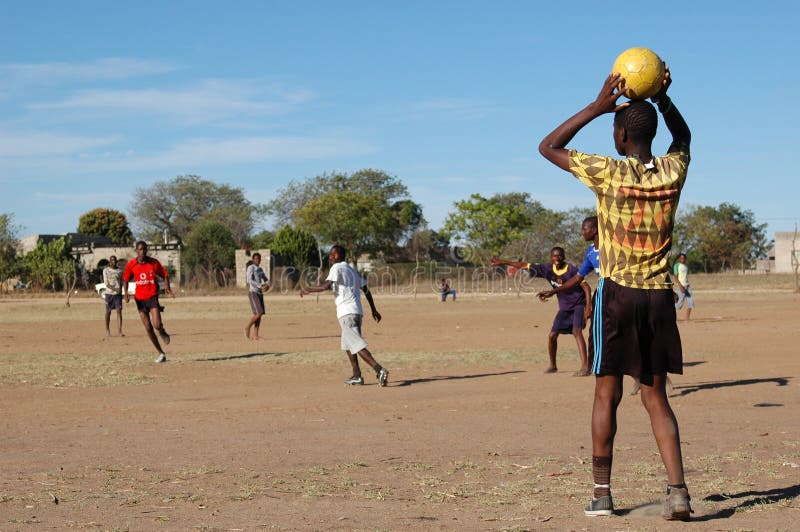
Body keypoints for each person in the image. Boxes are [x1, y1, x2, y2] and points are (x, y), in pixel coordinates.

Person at [538, 67, 692, 520]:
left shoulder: (608, 172)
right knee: (656, 398)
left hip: (618, 295)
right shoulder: (673, 171)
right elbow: (684, 137)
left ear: (621, 135)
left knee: (607, 394)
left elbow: (548, 146)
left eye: (613, 128)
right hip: (659, 297)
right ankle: (679, 493)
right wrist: (663, 99)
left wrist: (595, 106)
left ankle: (602, 495)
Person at [492, 247, 591, 376]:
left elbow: (586, 287)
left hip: (579, 304)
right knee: (552, 335)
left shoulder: (571, 269)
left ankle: (585, 367)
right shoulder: (546, 268)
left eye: (560, 256)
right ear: (551, 257)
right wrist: (504, 262)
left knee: (576, 332)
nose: (557, 258)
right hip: (565, 307)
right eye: (554, 256)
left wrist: (588, 307)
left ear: (564, 257)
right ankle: (553, 366)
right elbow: (523, 265)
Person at [300, 245, 389, 386]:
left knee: (356, 345)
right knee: (348, 345)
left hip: (347, 313)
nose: (330, 256)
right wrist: (373, 309)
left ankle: (379, 369)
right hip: (356, 312)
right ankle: (357, 375)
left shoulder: (336, 267)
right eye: (330, 254)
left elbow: (325, 286)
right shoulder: (351, 270)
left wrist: (309, 289)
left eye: (333, 254)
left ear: (341, 255)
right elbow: (366, 289)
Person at [123, 241, 174, 363]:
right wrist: (126, 293)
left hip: (152, 297)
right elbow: (125, 279)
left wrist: (167, 286)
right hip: (140, 300)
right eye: (140, 249)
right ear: (136, 251)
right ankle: (161, 353)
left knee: (156, 325)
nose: (143, 251)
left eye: (145, 249)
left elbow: (165, 274)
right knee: (148, 327)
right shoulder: (131, 264)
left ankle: (162, 331)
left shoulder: (153, 263)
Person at [244, 253, 270, 340]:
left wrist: (267, 284)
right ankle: (247, 327)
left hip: (259, 293)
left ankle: (255, 335)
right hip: (253, 293)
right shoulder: (251, 268)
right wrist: (260, 285)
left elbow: (266, 279)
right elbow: (249, 280)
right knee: (258, 313)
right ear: (253, 260)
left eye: (259, 258)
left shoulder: (260, 269)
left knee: (259, 314)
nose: (257, 260)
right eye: (255, 258)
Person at [102, 255, 124, 337]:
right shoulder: (106, 270)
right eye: (112, 260)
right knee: (108, 312)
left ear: (116, 261)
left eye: (115, 260)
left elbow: (121, 282)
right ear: (110, 262)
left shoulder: (120, 271)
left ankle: (120, 331)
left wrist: (120, 290)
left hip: (118, 295)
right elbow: (106, 283)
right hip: (109, 294)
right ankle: (107, 330)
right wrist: (115, 289)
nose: (113, 262)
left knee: (119, 311)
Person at [673, 253, 694, 320]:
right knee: (679, 305)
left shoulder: (686, 266)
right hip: (681, 286)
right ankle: (668, 310)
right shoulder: (676, 266)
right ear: (679, 259)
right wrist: (680, 286)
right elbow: (676, 277)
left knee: (691, 303)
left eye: (684, 258)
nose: (682, 259)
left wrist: (687, 285)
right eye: (681, 258)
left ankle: (687, 319)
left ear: (685, 259)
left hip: (687, 286)